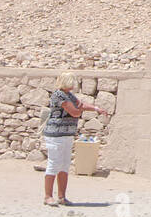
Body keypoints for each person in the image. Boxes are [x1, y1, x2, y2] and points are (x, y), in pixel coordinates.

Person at [41, 72, 109, 206]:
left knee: (64, 165)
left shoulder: (69, 95)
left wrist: (96, 109)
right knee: (54, 164)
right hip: (56, 135)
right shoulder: (59, 95)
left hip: (66, 134)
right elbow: (75, 112)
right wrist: (80, 111)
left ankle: (62, 196)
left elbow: (80, 105)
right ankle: (48, 196)